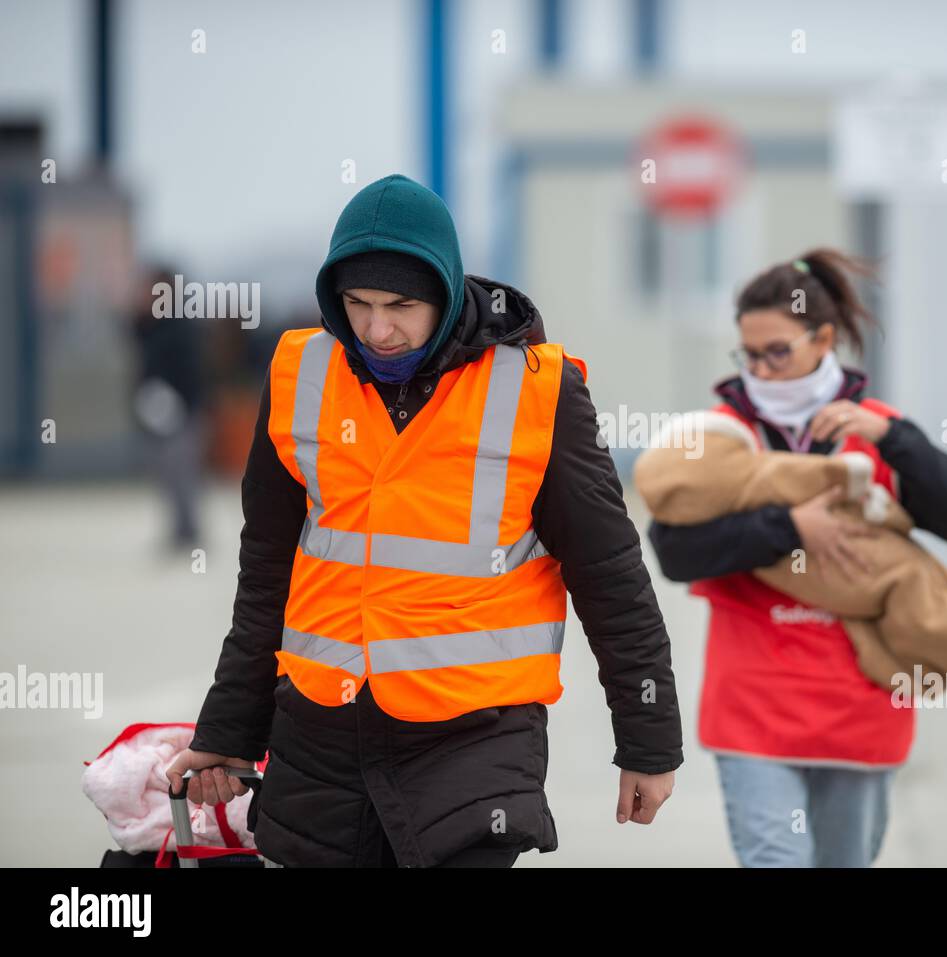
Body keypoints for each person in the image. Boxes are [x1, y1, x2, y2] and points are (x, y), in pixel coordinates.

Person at [166, 173, 682, 867]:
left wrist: (647, 740)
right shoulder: (300, 375)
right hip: (321, 742)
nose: (377, 329)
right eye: (357, 303)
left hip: (477, 739)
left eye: (401, 304)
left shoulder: (535, 391)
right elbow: (267, 573)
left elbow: (610, 573)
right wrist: (228, 727)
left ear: (444, 291)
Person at [646, 248, 947, 867]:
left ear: (822, 338)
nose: (762, 370)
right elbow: (673, 550)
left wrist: (894, 438)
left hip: (860, 712)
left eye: (777, 352)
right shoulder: (721, 437)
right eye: (748, 355)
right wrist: (790, 526)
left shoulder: (877, 428)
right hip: (754, 714)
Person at [129, 264, 207, 551]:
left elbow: (189, 369)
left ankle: (188, 532)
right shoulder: (152, 323)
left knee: (181, 472)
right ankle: (180, 530)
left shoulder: (180, 324)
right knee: (167, 473)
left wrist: (178, 402)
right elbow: (134, 335)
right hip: (158, 412)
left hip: (182, 411)